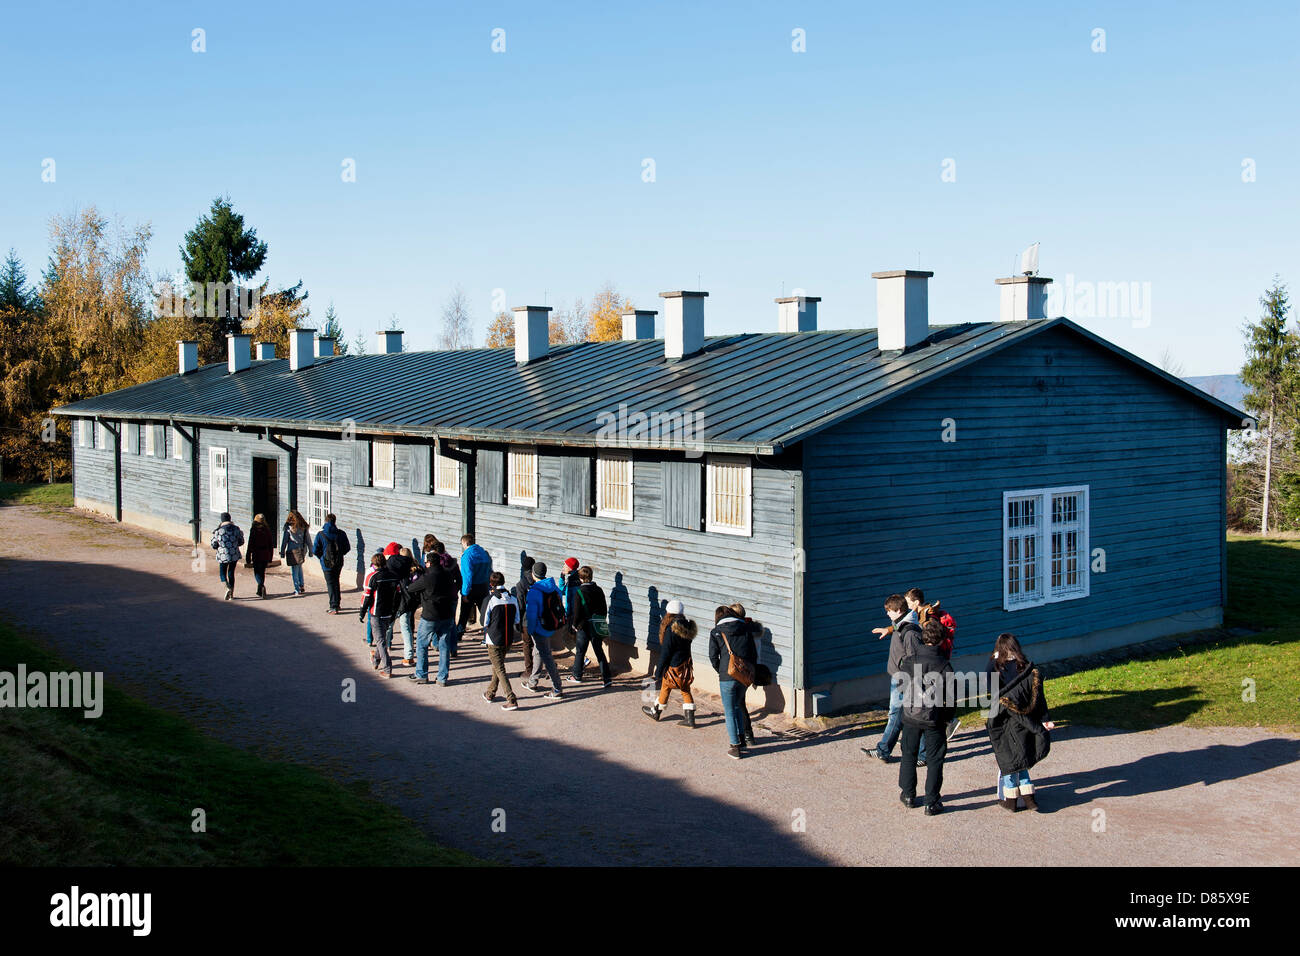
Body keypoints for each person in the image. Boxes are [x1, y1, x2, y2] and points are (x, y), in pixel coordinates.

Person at [986, 633, 1056, 812]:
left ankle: (1010, 799)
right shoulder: (1026, 667)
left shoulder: (995, 666)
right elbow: (1039, 696)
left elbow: (991, 691)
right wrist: (1045, 719)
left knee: (1009, 759)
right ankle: (1029, 797)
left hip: (1006, 719)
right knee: (1022, 757)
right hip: (1025, 719)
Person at [898, 620, 957, 815]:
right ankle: (931, 801)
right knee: (935, 760)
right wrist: (948, 718)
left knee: (908, 754)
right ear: (941, 640)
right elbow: (950, 697)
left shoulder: (910, 661)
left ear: (923, 638)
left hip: (911, 715)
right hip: (935, 718)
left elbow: (901, 686)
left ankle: (908, 794)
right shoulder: (943, 665)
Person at [866, 593, 929, 764]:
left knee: (898, 714)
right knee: (908, 716)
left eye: (890, 611)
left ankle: (885, 751)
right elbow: (898, 626)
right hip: (899, 677)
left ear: (899, 610)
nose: (887, 614)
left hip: (903, 679)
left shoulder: (910, 632)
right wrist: (888, 629)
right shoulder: (901, 624)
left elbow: (914, 657)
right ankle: (922, 754)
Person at [709, 605, 759, 759]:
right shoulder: (746, 629)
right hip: (743, 677)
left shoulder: (716, 632)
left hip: (727, 675)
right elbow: (753, 653)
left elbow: (712, 656)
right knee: (738, 705)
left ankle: (735, 746)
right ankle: (742, 738)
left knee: (729, 710)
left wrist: (721, 671)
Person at [644, 614, 697, 727]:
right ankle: (690, 719)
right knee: (685, 689)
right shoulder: (688, 628)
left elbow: (665, 653)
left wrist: (658, 673)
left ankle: (656, 712)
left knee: (665, 686)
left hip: (673, 667)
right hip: (685, 665)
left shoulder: (671, 629)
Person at [522, 561, 564, 699]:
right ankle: (532, 682)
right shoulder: (552, 586)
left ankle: (557, 688)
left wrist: (530, 630)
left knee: (546, 656)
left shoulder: (534, 592)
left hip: (539, 628)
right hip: (550, 626)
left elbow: (531, 615)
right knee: (538, 652)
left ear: (533, 574)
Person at [479, 571, 520, 710]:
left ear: (491, 584)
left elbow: (483, 622)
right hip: (508, 638)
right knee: (497, 666)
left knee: (500, 668)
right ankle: (490, 693)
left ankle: (511, 698)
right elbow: (517, 619)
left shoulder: (490, 599)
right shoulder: (513, 598)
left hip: (494, 639)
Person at [358, 557, 403, 679]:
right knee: (381, 638)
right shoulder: (394, 576)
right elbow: (399, 594)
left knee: (380, 641)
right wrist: (395, 610)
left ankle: (387, 668)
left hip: (376, 612)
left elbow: (367, 596)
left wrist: (362, 612)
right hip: (389, 612)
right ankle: (376, 660)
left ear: (374, 563)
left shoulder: (373, 577)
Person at [566, 565, 611, 687]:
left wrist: (575, 625)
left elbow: (577, 612)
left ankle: (577, 675)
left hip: (584, 626)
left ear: (580, 578)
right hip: (596, 625)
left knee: (580, 651)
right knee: (599, 651)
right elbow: (604, 609)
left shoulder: (579, 592)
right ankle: (607, 678)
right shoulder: (599, 590)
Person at [456, 533, 493, 642]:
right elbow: (488, 570)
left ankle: (458, 635)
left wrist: (465, 593)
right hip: (483, 587)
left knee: (464, 614)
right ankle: (489, 636)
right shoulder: (483, 553)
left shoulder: (467, 556)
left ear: (465, 543)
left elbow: (467, 576)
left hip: (471, 588)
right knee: (485, 613)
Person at [313, 513, 351, 614]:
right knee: (336, 581)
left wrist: (322, 557)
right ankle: (337, 603)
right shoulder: (341, 533)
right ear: (335, 521)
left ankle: (333, 606)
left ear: (325, 521)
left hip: (326, 563)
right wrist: (340, 554)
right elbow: (347, 548)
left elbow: (315, 550)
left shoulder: (321, 534)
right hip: (338, 562)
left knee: (330, 583)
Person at [386, 545, 417, 665]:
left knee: (388, 626)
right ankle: (409, 656)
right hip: (406, 600)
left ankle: (384, 649)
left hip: (393, 599)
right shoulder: (412, 567)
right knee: (406, 627)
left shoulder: (392, 564)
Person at [210, 512, 244, 601]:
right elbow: (241, 542)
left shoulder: (218, 531)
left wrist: (220, 546)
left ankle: (227, 587)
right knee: (231, 573)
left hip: (223, 555)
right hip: (234, 554)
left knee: (222, 573)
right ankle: (231, 594)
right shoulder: (236, 529)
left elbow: (214, 544)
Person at [513, 556, 537, 679]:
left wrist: (518, 621)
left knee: (527, 645)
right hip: (539, 618)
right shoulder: (539, 580)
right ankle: (549, 668)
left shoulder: (521, 584)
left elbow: (520, 605)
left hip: (527, 620)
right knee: (540, 645)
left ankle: (529, 671)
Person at [279, 510, 310, 596]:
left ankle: (297, 589)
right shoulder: (304, 526)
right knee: (299, 567)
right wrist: (311, 550)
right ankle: (301, 585)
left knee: (294, 570)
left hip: (292, 551)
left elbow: (285, 541)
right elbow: (308, 539)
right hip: (302, 550)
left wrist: (282, 552)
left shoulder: (289, 528)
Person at [247, 513, 275, 599]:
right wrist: (270, 557)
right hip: (265, 553)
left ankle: (261, 586)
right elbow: (271, 544)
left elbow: (250, 543)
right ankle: (260, 590)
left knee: (257, 572)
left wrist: (248, 555)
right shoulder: (267, 530)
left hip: (257, 553)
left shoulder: (254, 530)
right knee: (262, 572)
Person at [360, 552, 383, 646]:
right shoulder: (385, 571)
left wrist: (362, 610)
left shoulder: (370, 571)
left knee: (371, 620)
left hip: (373, 600)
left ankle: (370, 640)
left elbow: (366, 588)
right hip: (382, 600)